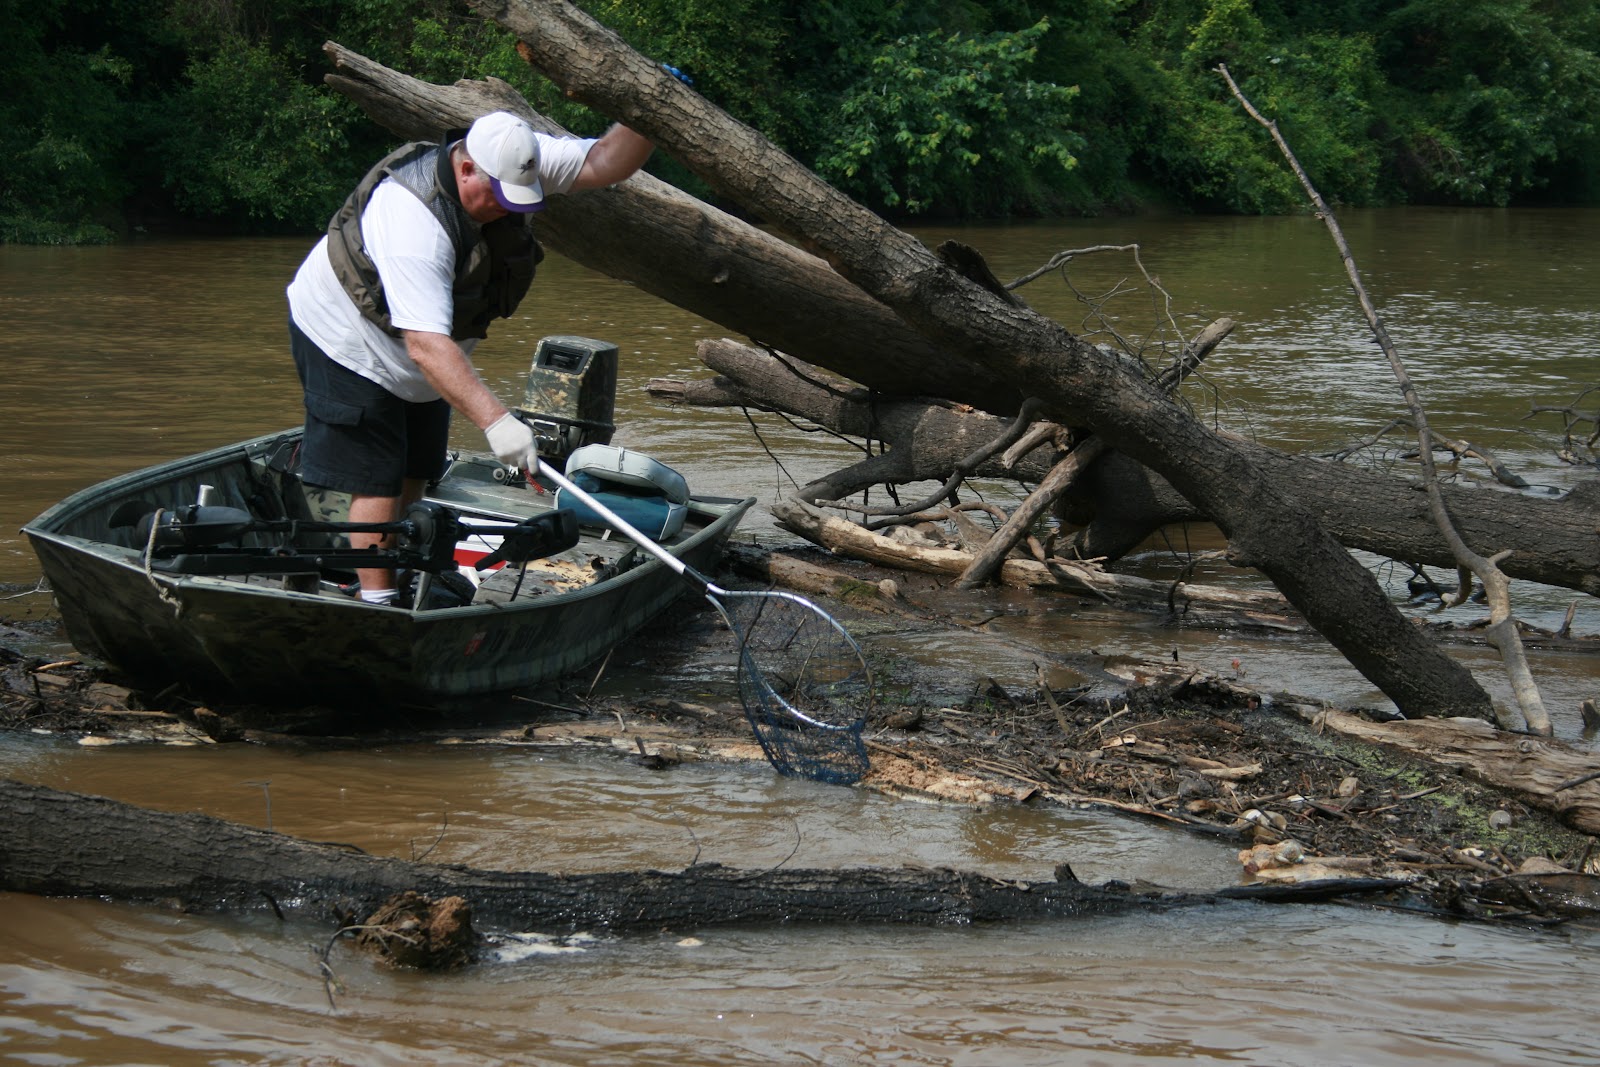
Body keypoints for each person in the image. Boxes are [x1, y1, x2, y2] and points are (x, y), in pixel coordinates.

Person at [286, 111, 654, 606]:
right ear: (466, 169)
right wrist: (497, 421)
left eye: (515, 198)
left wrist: (649, 117)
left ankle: (402, 569)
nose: (506, 208)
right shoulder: (412, 223)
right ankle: (378, 603)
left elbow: (607, 161)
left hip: (426, 355)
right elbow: (425, 346)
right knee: (376, 475)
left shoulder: (520, 159)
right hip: (349, 342)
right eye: (497, 196)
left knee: (418, 462)